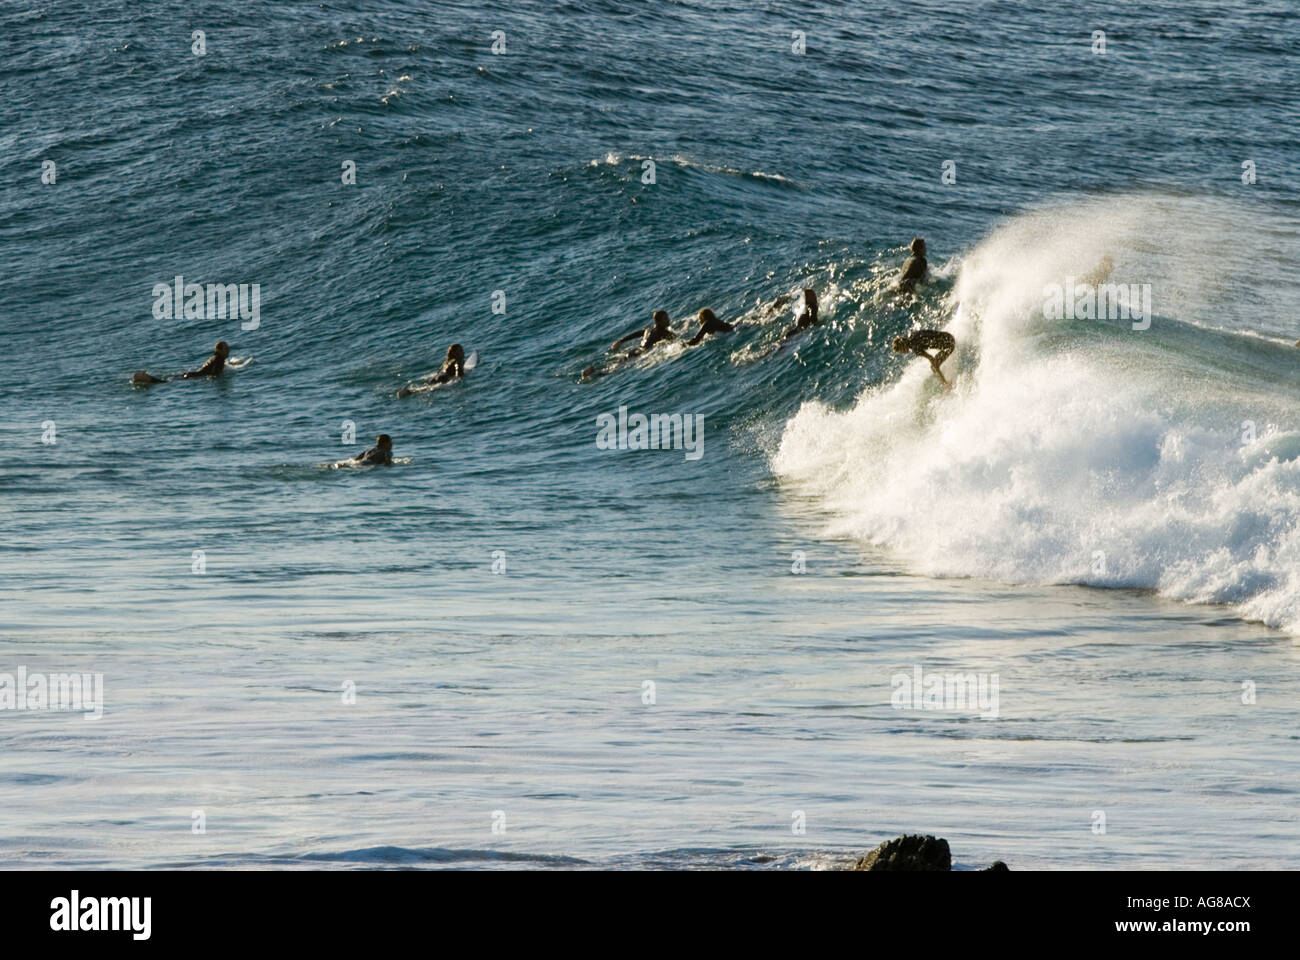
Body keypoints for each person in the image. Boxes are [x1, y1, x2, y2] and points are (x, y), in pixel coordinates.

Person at [132, 340, 230, 384]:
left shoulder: (215, 358)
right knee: (165, 383)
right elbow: (214, 374)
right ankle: (144, 377)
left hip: (192, 375)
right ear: (219, 350)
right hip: (194, 377)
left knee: (167, 381)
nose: (228, 350)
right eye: (226, 348)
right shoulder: (218, 359)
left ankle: (144, 377)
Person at [611, 310, 677, 357]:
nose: (668, 320)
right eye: (665, 318)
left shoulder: (649, 330)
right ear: (659, 321)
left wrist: (621, 341)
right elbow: (676, 339)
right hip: (641, 354)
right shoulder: (664, 332)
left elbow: (636, 334)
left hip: (635, 351)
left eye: (667, 317)